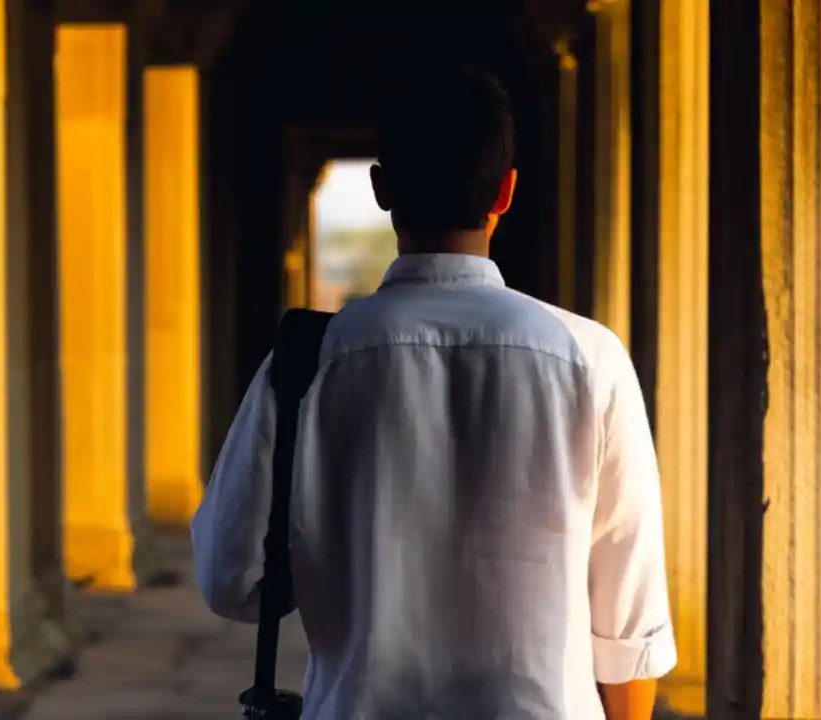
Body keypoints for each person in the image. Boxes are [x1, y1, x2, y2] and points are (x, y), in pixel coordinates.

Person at [192, 64, 676, 719]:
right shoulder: (590, 359)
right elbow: (629, 629)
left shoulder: (309, 361)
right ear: (506, 192)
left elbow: (230, 580)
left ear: (382, 188)